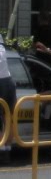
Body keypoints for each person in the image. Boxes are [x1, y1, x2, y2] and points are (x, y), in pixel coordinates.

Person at [0, 35, 15, 164]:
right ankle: (7, 150)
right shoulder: (3, 50)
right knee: (8, 118)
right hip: (9, 82)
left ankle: (1, 149)